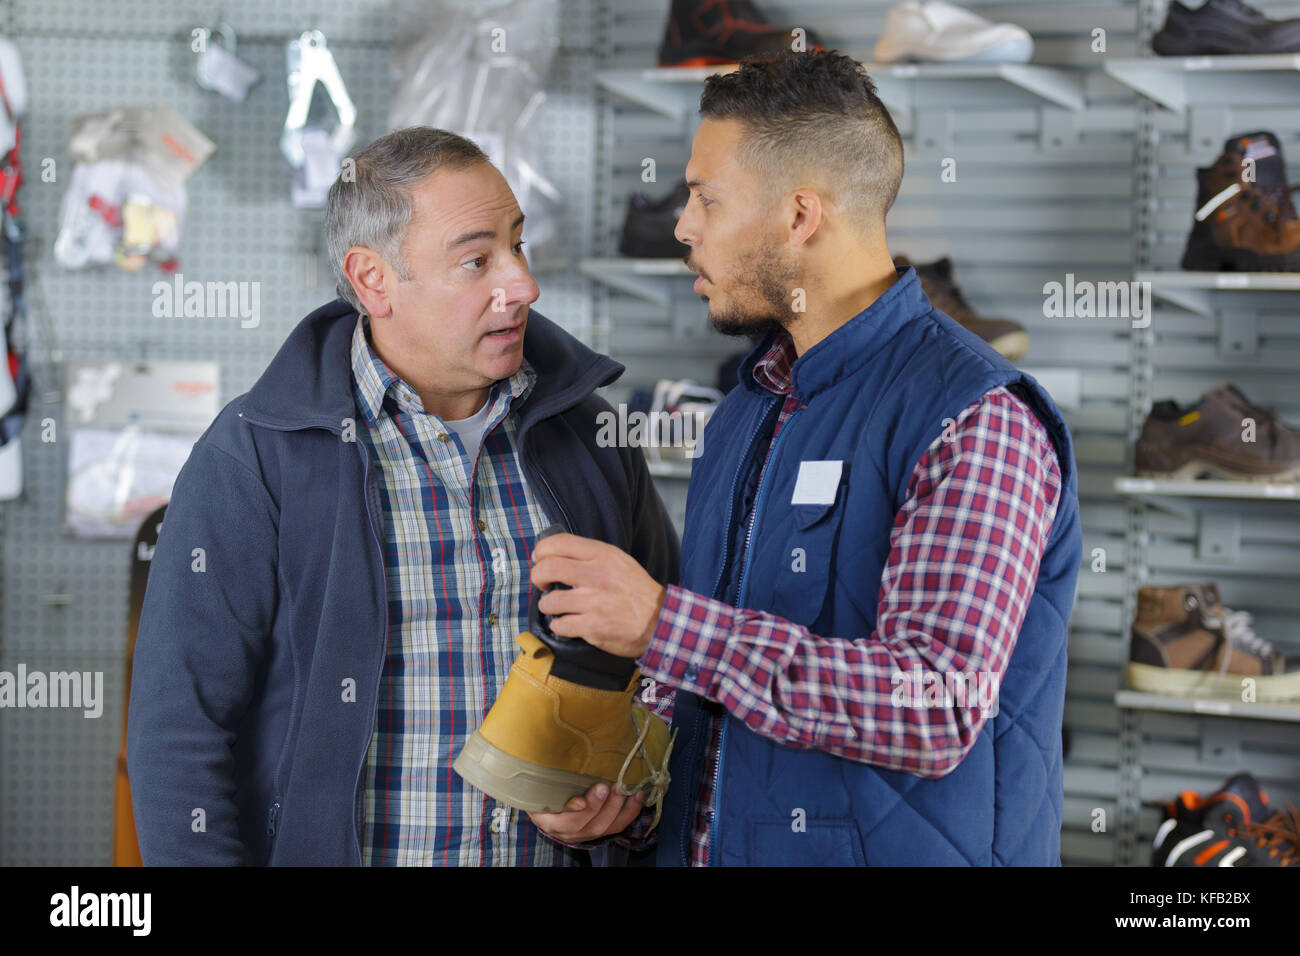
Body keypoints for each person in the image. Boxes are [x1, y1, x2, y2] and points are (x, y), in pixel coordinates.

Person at [529, 50, 1083, 866]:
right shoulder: (749, 408)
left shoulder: (974, 416)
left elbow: (930, 705)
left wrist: (658, 622)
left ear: (799, 216)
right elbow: (716, 700)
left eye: (706, 199)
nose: (683, 226)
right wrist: (635, 799)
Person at [126, 126, 678, 866]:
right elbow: (178, 731)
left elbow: (667, 676)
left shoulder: (589, 438)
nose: (521, 285)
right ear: (373, 280)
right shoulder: (257, 456)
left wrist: (623, 811)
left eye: (518, 246)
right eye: (476, 260)